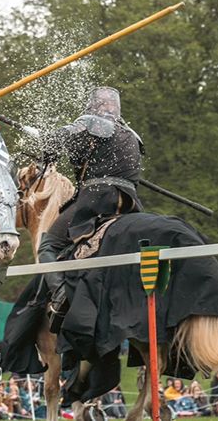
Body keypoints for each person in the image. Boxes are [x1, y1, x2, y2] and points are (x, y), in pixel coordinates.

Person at [38, 86, 144, 330]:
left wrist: (46, 143)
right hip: (129, 201)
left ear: (95, 106)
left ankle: (61, 295)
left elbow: (56, 140)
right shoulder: (132, 135)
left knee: (48, 245)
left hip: (98, 198)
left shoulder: (90, 122)